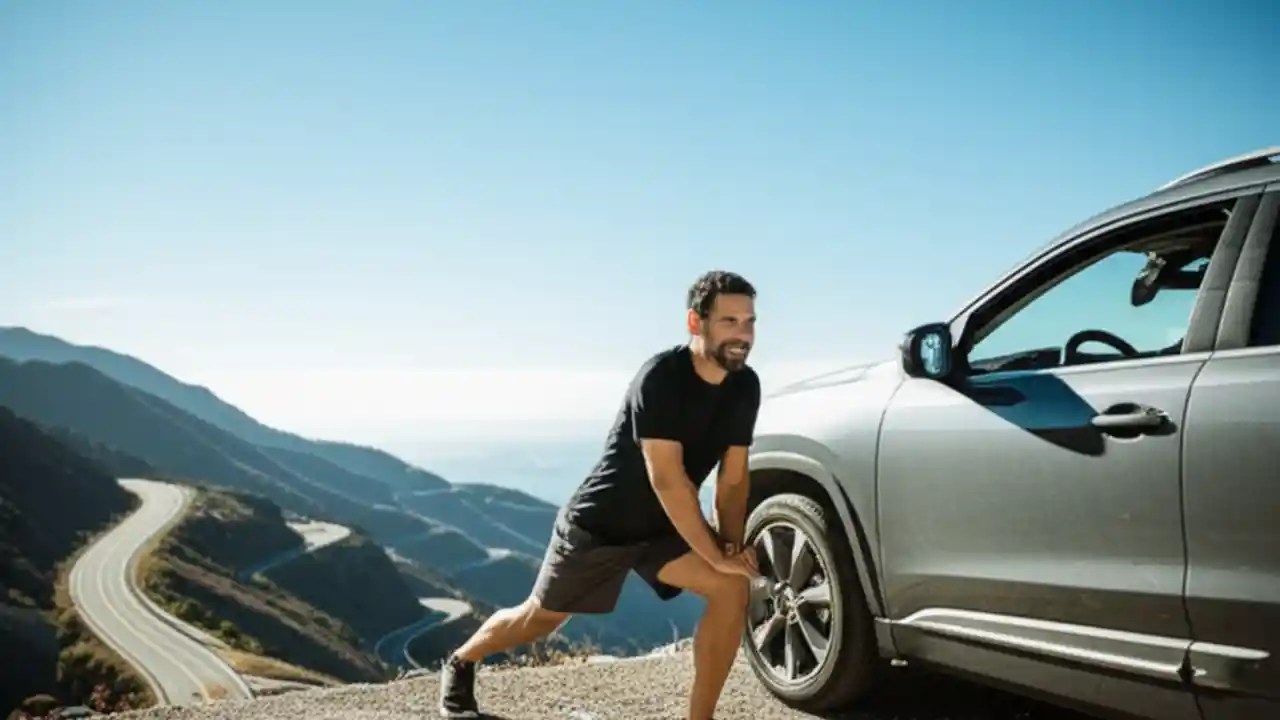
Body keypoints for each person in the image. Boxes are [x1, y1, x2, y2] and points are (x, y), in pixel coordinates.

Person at [437, 270, 764, 720]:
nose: (743, 335)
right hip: (601, 524)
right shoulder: (661, 378)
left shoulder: (745, 385)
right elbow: (666, 479)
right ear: (696, 322)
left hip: (666, 527)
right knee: (539, 620)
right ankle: (462, 660)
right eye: (729, 321)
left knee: (730, 588)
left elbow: (733, 480)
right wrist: (715, 552)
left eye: (749, 322)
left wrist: (730, 548)